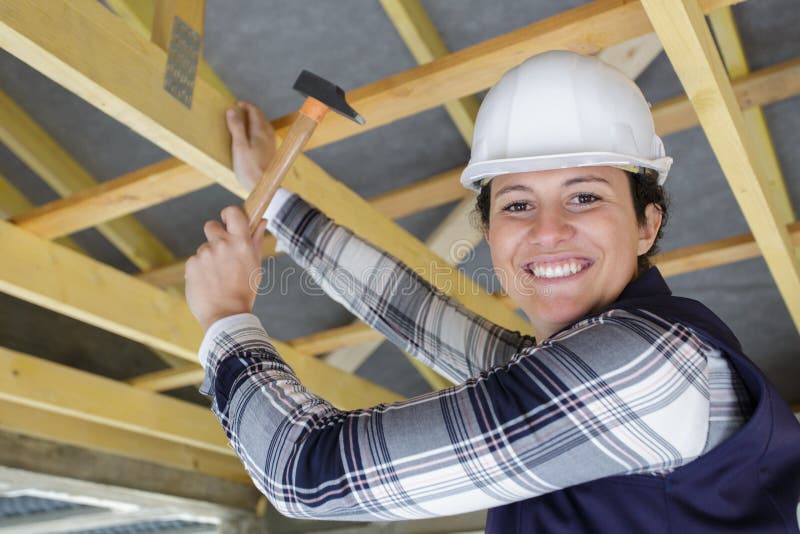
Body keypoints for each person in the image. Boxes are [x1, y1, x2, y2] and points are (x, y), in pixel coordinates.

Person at [185, 51, 800, 532]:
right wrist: (277, 204)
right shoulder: (605, 355)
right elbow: (416, 314)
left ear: (646, 225)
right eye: (517, 203)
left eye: (585, 195)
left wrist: (224, 319)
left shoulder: (646, 369)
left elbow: (307, 476)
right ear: (490, 233)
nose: (548, 230)